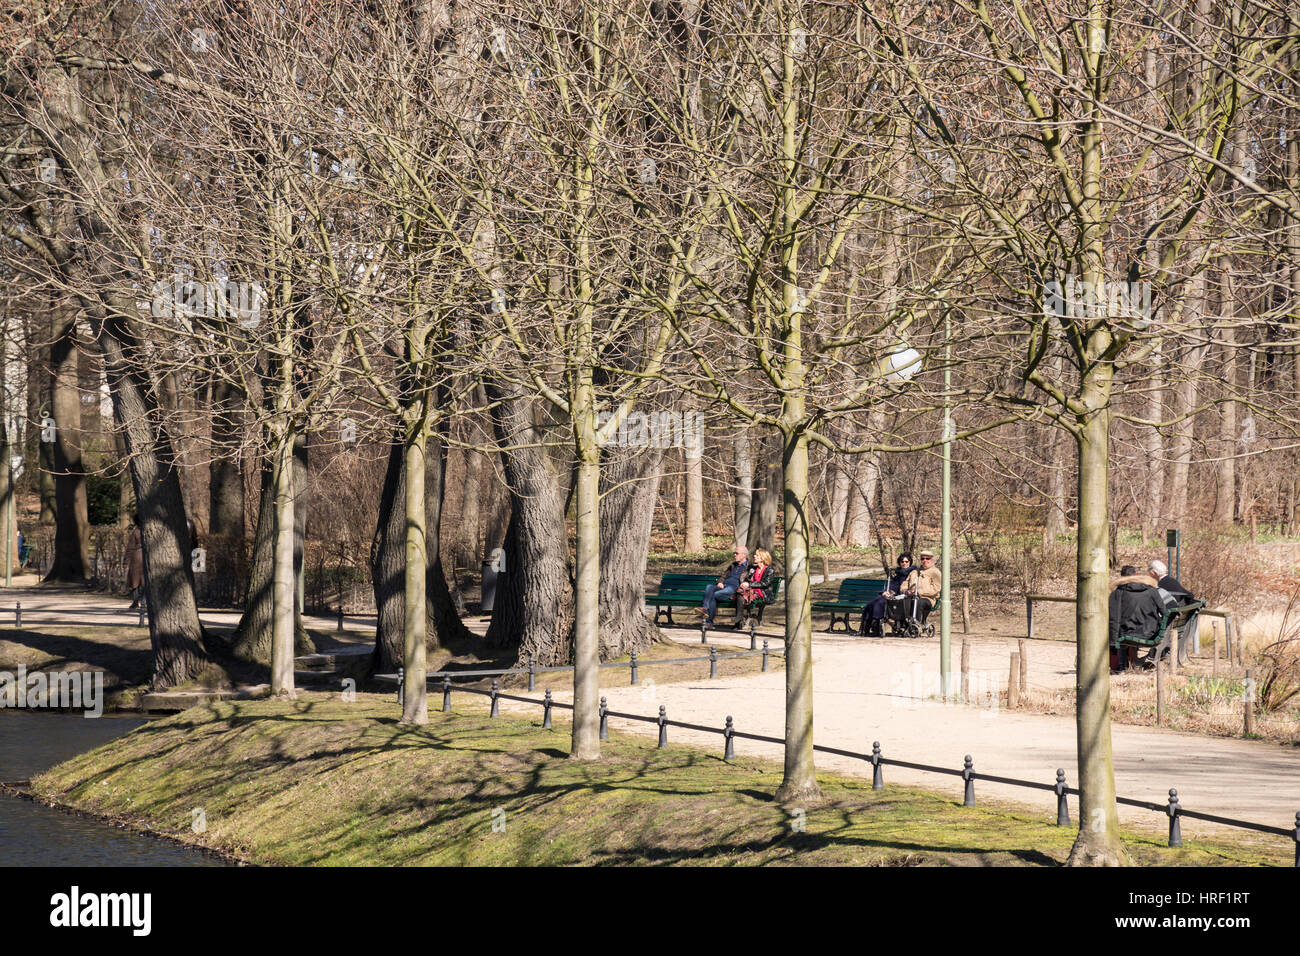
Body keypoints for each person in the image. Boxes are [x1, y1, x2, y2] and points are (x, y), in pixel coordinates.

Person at [1109, 565, 1164, 670]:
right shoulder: (1152, 590)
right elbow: (1164, 611)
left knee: (1118, 628)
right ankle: (1143, 660)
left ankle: (1122, 665)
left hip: (1126, 634)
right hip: (1151, 634)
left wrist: (1112, 643)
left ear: (1122, 578)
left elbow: (1113, 619)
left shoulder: (1118, 592)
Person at [1148, 559, 1199, 663]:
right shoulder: (1172, 582)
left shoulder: (1160, 587)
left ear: (1153, 573)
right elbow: (1190, 595)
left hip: (1165, 627)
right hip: (1176, 625)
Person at [860, 552, 913, 637]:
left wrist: (896, 593)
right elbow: (892, 585)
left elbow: (905, 587)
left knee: (880, 603)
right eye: (902, 561)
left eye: (906, 562)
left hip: (900, 596)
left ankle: (877, 627)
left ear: (910, 562)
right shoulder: (898, 573)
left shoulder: (911, 573)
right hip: (891, 594)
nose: (904, 563)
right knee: (872, 603)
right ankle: (864, 629)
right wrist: (885, 592)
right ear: (899, 562)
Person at [701, 545, 749, 628]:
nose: (734, 555)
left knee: (714, 595)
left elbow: (750, 580)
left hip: (733, 588)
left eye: (736, 553)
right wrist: (720, 582)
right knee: (709, 587)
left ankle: (709, 622)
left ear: (744, 555)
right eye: (734, 553)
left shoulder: (749, 567)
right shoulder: (733, 565)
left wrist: (746, 583)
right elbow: (723, 576)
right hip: (724, 585)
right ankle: (705, 609)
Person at [896, 548, 941, 630]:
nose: (925, 560)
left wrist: (918, 592)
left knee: (918, 602)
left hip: (927, 599)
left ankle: (916, 626)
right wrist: (905, 591)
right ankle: (902, 625)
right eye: (923, 558)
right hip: (911, 596)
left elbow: (936, 589)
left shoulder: (935, 572)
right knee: (901, 601)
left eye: (927, 558)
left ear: (932, 560)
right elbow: (905, 583)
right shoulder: (914, 572)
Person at [734, 548, 776, 624]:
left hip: (762, 593)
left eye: (757, 555)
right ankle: (739, 619)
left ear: (762, 558)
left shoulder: (770, 569)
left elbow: (765, 583)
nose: (754, 556)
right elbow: (746, 578)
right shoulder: (752, 568)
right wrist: (745, 582)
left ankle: (739, 619)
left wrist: (749, 584)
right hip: (751, 591)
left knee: (741, 594)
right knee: (740, 594)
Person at [124, 514, 144, 609]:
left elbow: (130, 547)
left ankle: (135, 602)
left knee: (135, 581)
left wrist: (126, 561)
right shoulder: (151, 530)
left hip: (136, 557)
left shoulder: (136, 531)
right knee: (145, 581)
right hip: (147, 556)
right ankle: (144, 602)